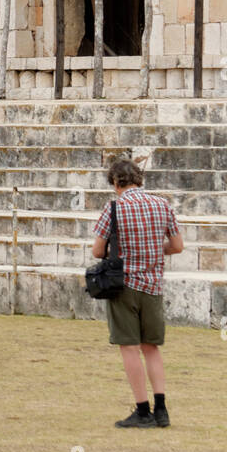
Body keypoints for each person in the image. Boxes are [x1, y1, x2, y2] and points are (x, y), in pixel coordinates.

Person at [92, 158, 183, 428]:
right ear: (139, 179)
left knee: (129, 347)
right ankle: (162, 408)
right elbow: (177, 246)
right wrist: (156, 251)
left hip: (125, 285)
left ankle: (143, 411)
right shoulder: (162, 205)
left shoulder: (115, 208)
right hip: (153, 284)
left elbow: (98, 251)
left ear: (116, 183)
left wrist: (122, 254)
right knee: (151, 347)